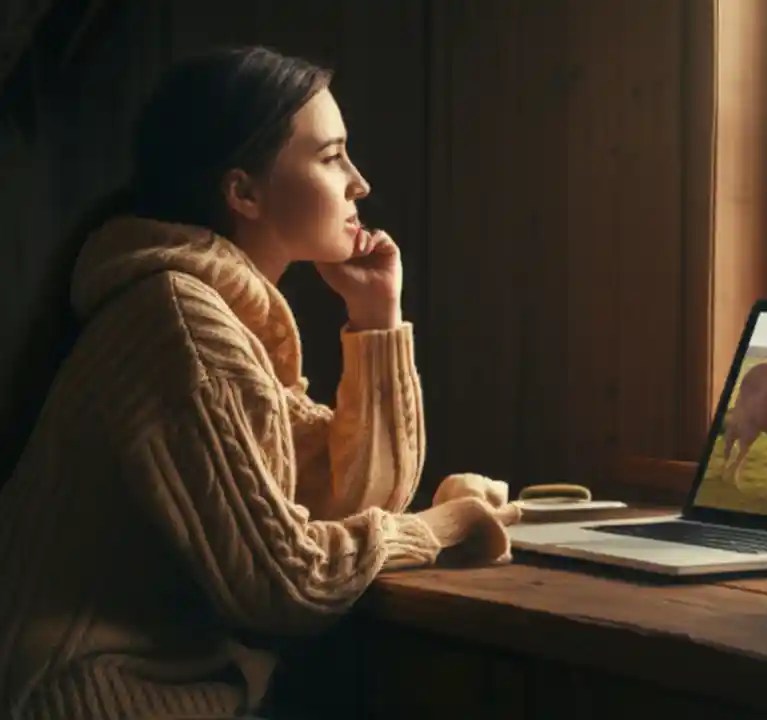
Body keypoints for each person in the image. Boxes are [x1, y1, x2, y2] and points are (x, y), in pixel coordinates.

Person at [0, 45, 521, 719]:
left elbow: (350, 498)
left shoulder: (216, 315)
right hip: (90, 698)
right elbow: (284, 583)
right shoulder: (178, 322)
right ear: (243, 191)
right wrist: (444, 526)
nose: (358, 182)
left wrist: (375, 320)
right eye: (332, 157)